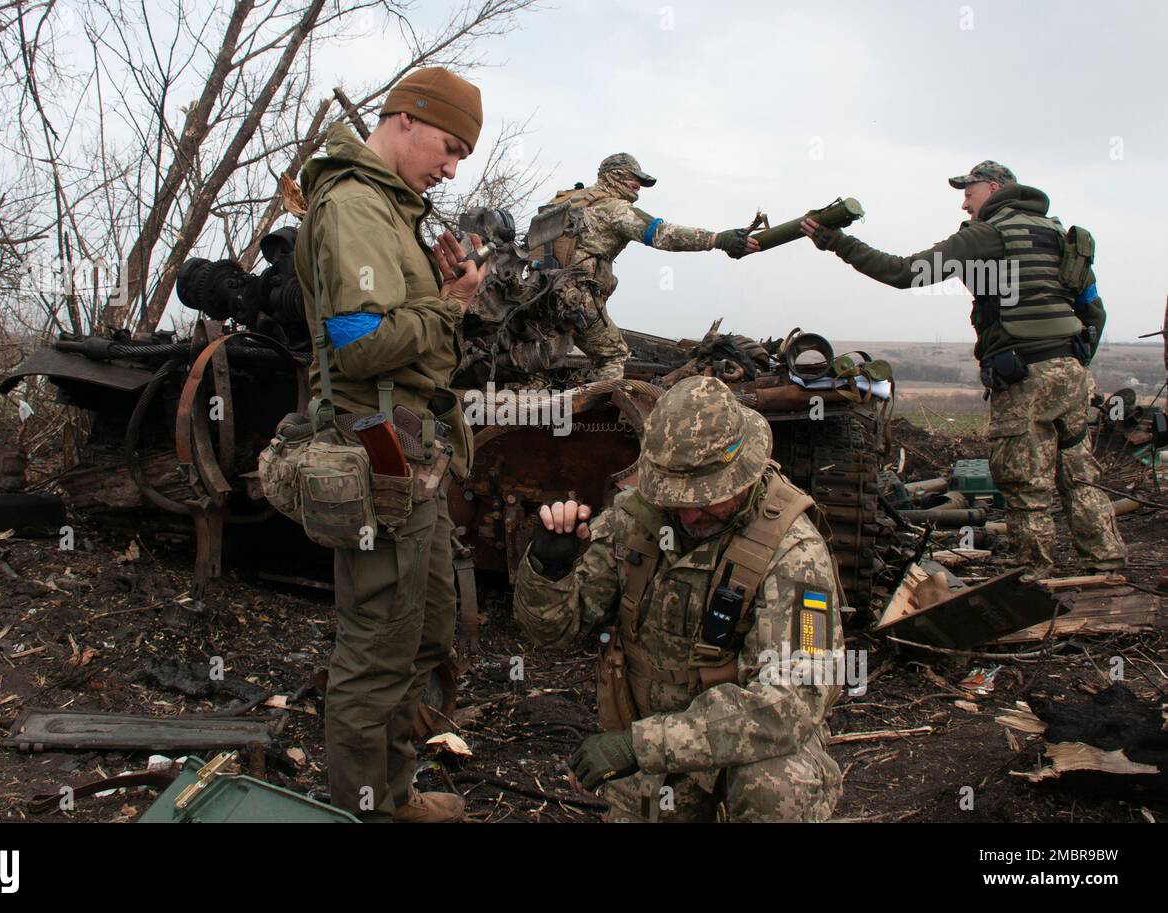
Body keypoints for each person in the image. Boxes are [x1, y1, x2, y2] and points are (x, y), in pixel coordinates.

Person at [512, 375, 845, 822]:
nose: (689, 513)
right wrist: (548, 571)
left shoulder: (796, 554)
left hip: (742, 753)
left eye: (708, 499)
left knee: (776, 789)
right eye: (675, 495)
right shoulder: (636, 522)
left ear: (744, 473)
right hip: (653, 761)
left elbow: (795, 701)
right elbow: (549, 635)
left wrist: (643, 744)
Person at [294, 67, 488, 823]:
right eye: (448, 147)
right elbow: (360, 344)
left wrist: (436, 288)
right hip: (378, 456)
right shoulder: (352, 204)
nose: (450, 167)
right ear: (405, 119)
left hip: (417, 458)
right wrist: (449, 307)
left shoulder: (392, 209)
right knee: (377, 649)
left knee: (427, 628)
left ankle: (396, 791)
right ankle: (368, 813)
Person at [801, 160, 1126, 578]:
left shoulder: (986, 235)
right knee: (1080, 475)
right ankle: (1107, 567)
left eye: (968, 193)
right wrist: (1074, 361)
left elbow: (904, 272)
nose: (964, 204)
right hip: (1071, 373)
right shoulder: (1060, 236)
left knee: (1024, 482)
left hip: (1024, 377)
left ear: (992, 188)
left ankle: (1033, 577)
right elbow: (1093, 310)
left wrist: (839, 243)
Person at [539, 154, 760, 380]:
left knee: (540, 363)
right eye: (634, 178)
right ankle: (607, 405)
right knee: (613, 355)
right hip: (576, 300)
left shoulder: (572, 202)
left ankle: (532, 406)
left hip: (542, 294)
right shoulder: (614, 209)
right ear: (615, 175)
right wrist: (717, 240)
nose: (639, 186)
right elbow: (661, 234)